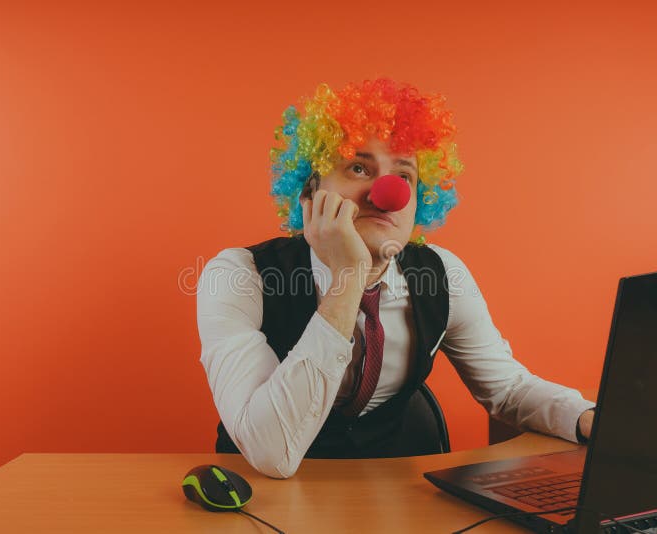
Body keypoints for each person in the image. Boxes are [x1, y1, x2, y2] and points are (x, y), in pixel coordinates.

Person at [197, 78, 596, 479]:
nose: (387, 193)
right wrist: (348, 279)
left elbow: (507, 389)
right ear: (309, 192)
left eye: (403, 176)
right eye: (358, 167)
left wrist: (586, 417)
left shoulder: (442, 274)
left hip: (394, 494)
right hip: (261, 498)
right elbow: (270, 452)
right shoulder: (237, 275)